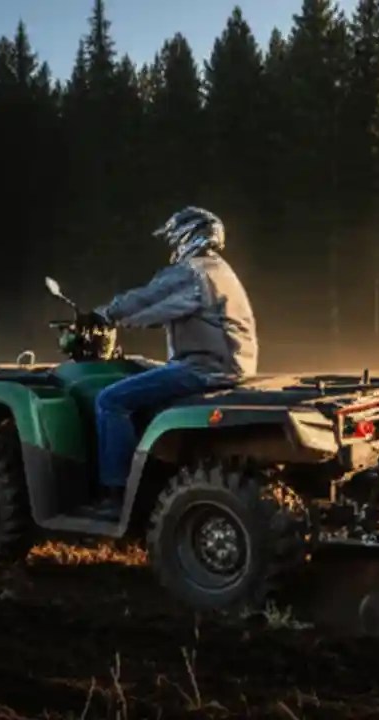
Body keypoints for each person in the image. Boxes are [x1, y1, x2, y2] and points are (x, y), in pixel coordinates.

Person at [82, 206, 258, 519]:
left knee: (110, 400)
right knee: (135, 365)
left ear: (187, 235)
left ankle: (116, 494)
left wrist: (105, 314)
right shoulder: (219, 270)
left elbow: (147, 299)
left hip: (205, 369)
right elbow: (157, 313)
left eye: (174, 237)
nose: (173, 245)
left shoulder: (193, 272)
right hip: (223, 364)